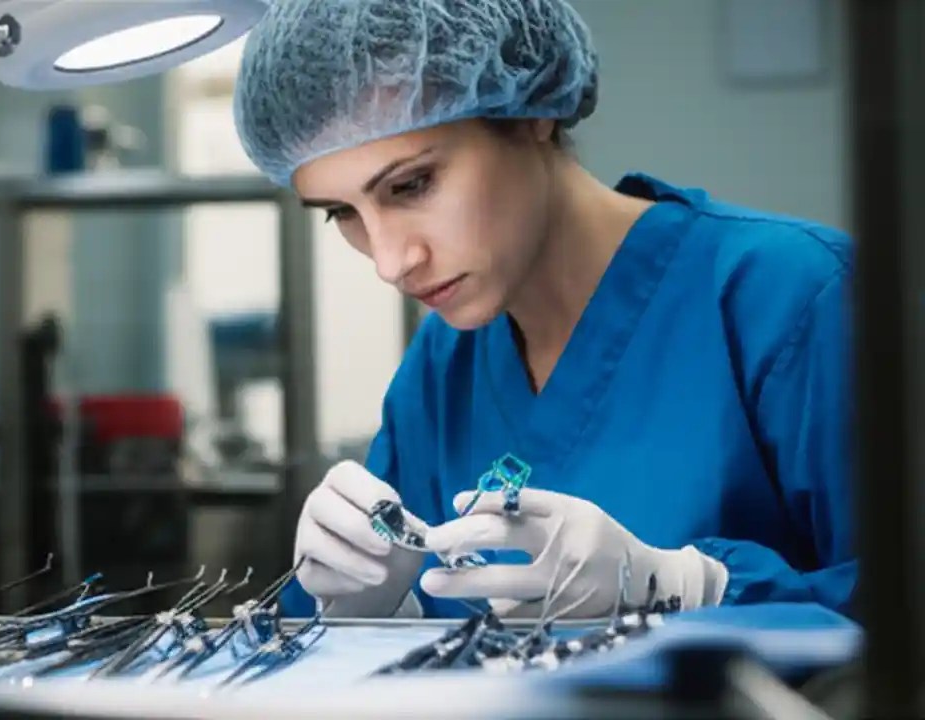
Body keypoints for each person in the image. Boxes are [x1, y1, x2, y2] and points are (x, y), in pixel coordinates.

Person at [232, 0, 858, 621]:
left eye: (412, 185)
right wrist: (368, 611)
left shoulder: (794, 297)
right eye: (341, 213)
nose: (390, 263)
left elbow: (897, 614)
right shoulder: (445, 363)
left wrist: (693, 587)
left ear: (532, 112)